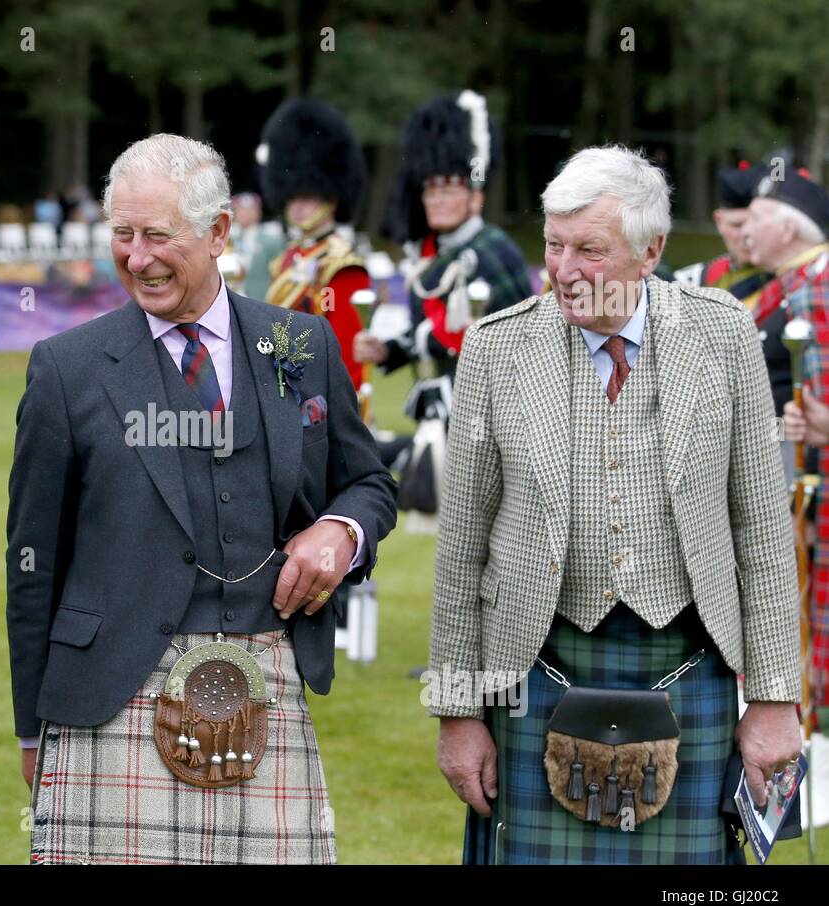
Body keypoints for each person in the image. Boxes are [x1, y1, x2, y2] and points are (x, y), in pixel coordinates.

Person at [7, 134, 398, 865]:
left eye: (158, 235)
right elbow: (33, 562)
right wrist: (33, 728)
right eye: (122, 234)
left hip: (268, 678)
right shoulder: (67, 368)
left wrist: (341, 532)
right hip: (109, 693)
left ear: (219, 233)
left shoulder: (301, 344)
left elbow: (370, 481)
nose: (136, 256)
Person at [430, 145, 803, 865]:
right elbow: (461, 552)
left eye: (590, 250)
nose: (564, 271)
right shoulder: (494, 348)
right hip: (534, 672)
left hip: (687, 664)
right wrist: (456, 713)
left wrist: (777, 699)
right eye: (554, 246)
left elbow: (760, 527)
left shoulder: (724, 332)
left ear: (651, 250)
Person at [354, 91, 531, 382]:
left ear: (475, 199)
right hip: (434, 404)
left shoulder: (495, 248)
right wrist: (387, 350)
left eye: (447, 191)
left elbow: (520, 338)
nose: (436, 200)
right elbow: (429, 329)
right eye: (431, 191)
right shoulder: (429, 256)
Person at [757, 171, 829, 717]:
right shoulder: (784, 286)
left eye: (755, 216)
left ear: (787, 225)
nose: (742, 230)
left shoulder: (816, 288)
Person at [258, 98, 370, 391]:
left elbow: (345, 349)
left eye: (307, 196)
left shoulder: (341, 264)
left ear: (331, 197)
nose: (296, 207)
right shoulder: (287, 257)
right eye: (291, 196)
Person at [673, 163, 772, 309]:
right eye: (737, 225)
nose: (747, 234)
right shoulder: (690, 282)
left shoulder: (795, 280)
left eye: (756, 224)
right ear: (719, 221)